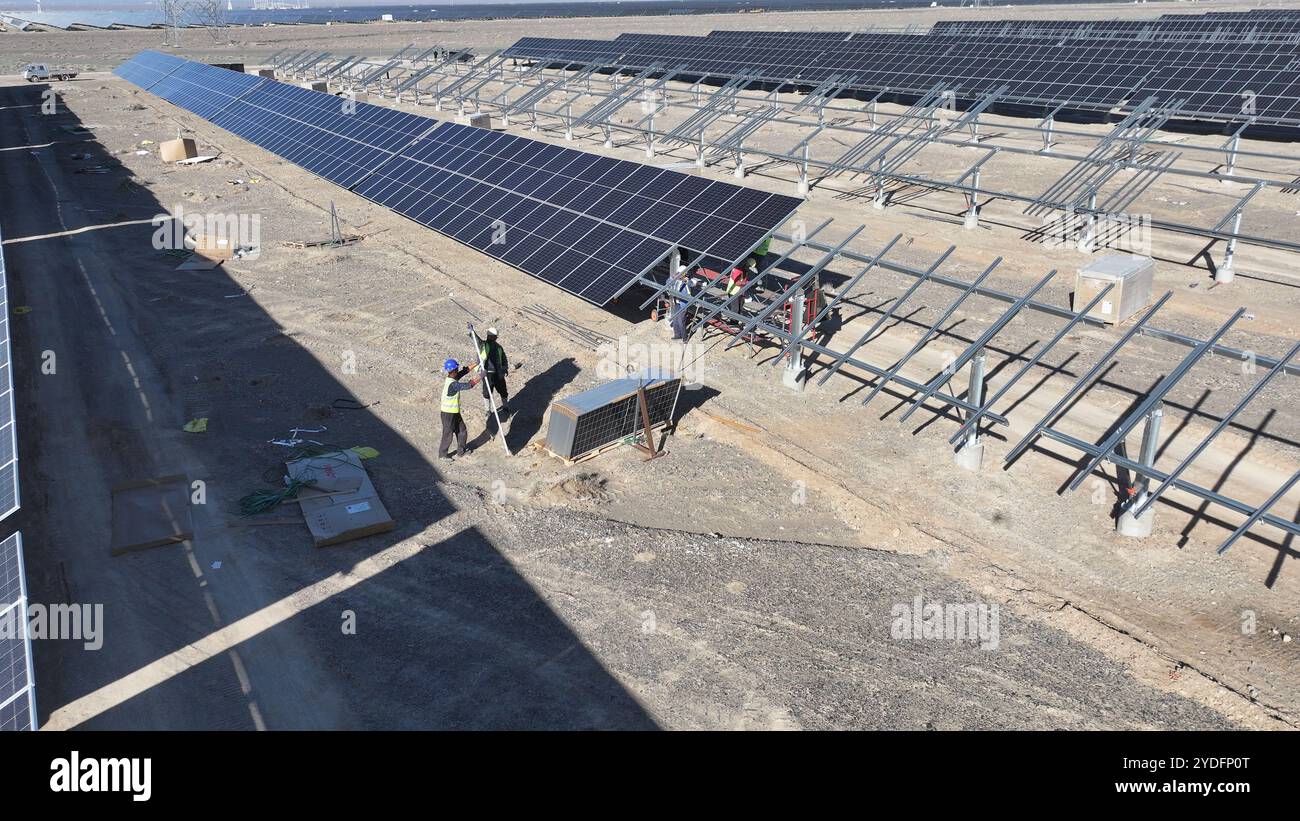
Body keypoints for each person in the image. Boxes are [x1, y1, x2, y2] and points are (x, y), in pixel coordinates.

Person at [438, 358, 481, 461]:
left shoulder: (452, 377)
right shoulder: (452, 384)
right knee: (448, 433)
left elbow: (464, 372)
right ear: (453, 371)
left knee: (462, 430)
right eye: (457, 369)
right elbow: (468, 385)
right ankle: (442, 455)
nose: (458, 370)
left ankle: (461, 452)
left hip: (454, 412)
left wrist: (476, 363)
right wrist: (481, 376)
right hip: (447, 413)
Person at [474, 327, 510, 416]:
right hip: (487, 374)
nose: (495, 338)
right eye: (493, 336)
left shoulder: (499, 347)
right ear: (489, 336)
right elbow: (476, 340)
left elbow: (504, 359)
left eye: (495, 337)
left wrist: (505, 369)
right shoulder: (483, 345)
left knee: (503, 391)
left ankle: (505, 406)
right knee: (487, 393)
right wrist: (472, 332)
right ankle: (488, 410)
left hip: (499, 374)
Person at [669, 266, 693, 340]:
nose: (679, 274)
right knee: (675, 319)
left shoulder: (687, 280)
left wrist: (685, 280)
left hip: (683, 304)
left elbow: (691, 284)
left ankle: (684, 338)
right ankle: (677, 335)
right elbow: (668, 282)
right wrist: (672, 277)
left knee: (681, 320)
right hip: (676, 302)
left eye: (681, 273)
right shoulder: (676, 280)